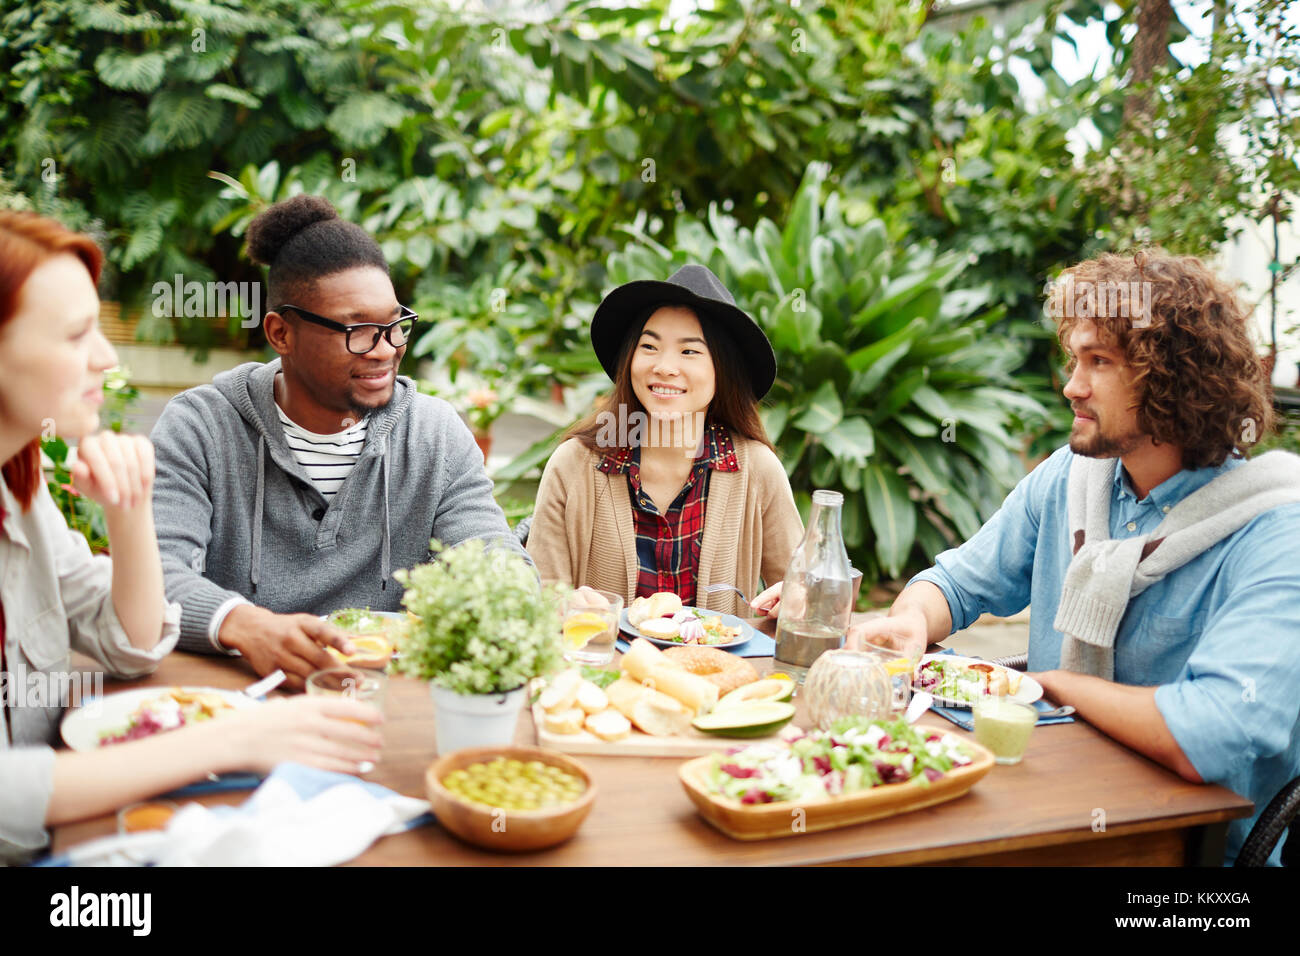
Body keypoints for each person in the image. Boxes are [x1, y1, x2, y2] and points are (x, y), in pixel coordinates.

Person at [822, 250, 1299, 866]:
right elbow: (959, 581)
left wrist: (1055, 686)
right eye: (1075, 359)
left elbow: (1207, 734)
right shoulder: (1073, 481)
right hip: (1051, 811)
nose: (1072, 384)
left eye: (1099, 362)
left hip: (1192, 859)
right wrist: (914, 619)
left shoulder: (1273, 530)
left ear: (1176, 377)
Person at [0, 211, 383, 864]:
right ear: (280, 333)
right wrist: (237, 738)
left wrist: (129, 511)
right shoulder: (206, 420)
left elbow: (133, 644)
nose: (108, 356)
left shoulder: (20, 497)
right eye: (75, 334)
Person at [150, 195, 528, 689]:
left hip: (381, 700)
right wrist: (245, 625)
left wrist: (510, 591)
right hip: (239, 699)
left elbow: (495, 558)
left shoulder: (433, 433)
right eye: (359, 330)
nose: (386, 350)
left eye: (395, 326)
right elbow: (153, 576)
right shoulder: (201, 429)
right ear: (281, 333)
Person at [527, 264, 803, 613]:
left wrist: (794, 602)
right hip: (604, 667)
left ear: (723, 369)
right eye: (649, 347)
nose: (665, 367)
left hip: (720, 667)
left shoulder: (757, 469)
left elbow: (800, 590)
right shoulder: (574, 464)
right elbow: (540, 597)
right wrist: (561, 603)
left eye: (689, 351)